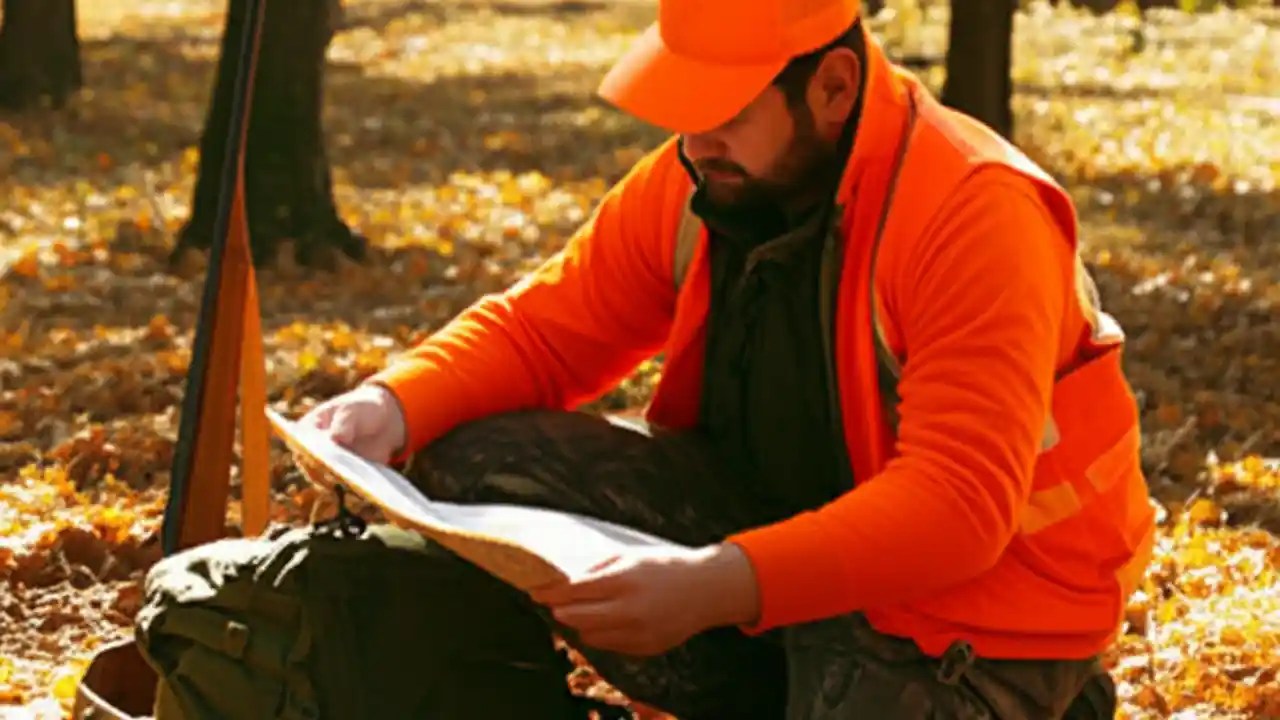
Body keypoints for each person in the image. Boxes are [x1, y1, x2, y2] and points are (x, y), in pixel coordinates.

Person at [299, 0, 1156, 717]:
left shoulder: (974, 212)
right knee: (475, 458)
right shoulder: (705, 176)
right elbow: (545, 330)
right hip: (777, 552)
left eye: (725, 113)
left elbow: (958, 510)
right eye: (683, 109)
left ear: (832, 86)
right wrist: (390, 405)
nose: (695, 141)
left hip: (979, 617)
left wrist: (711, 587)